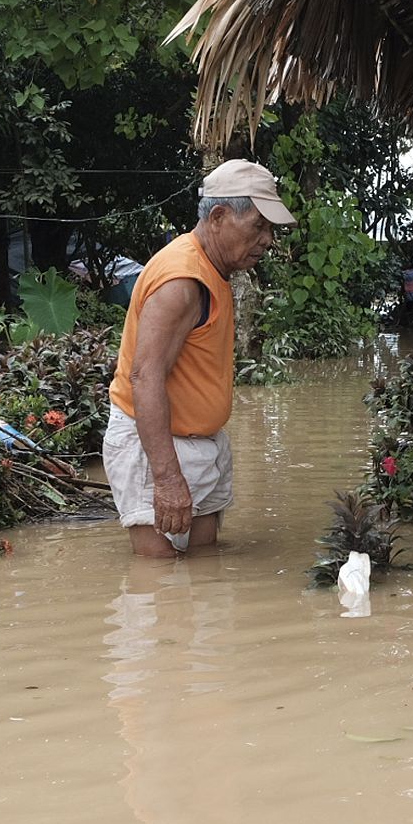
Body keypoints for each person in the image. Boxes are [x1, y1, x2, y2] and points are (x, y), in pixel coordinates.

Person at [103, 160, 295, 557]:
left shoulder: (212, 270)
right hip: (156, 446)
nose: (267, 240)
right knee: (156, 581)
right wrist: (167, 478)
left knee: (204, 576)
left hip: (201, 442)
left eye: (270, 229)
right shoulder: (182, 281)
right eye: (259, 226)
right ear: (220, 216)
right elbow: (145, 377)